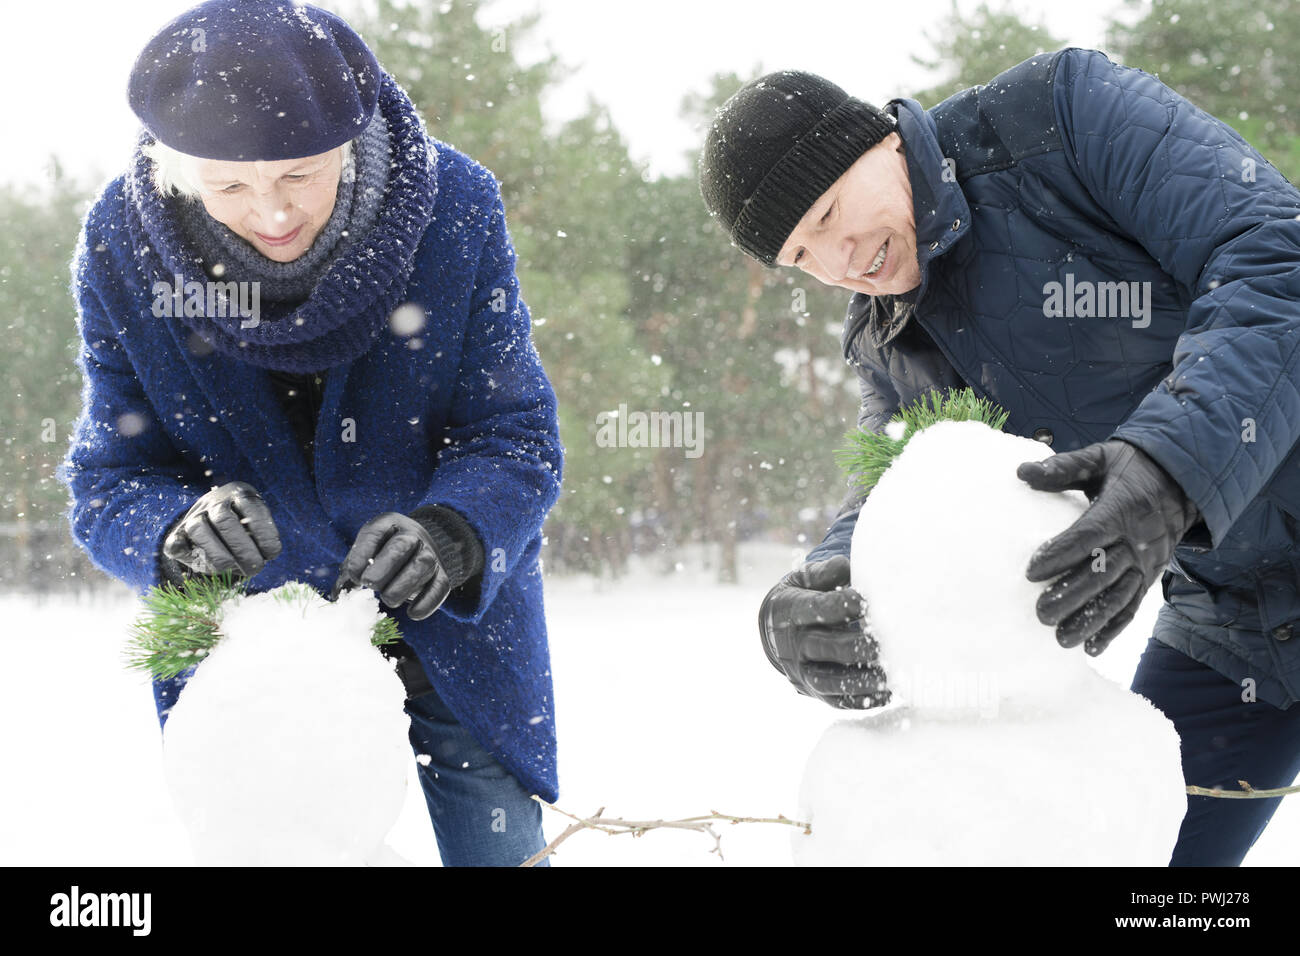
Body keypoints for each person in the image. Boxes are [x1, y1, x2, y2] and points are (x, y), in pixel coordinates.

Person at [698, 48, 1300, 866]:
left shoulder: (1064, 117)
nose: (841, 261)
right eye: (803, 256)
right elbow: (894, 490)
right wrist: (813, 599)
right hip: (1241, 624)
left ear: (878, 142)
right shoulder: (892, 340)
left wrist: (1167, 469)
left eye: (833, 211)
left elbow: (1273, 258)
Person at [56, 0, 563, 867]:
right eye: (230, 187)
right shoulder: (120, 247)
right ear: (179, 170)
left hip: (446, 617)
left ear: (348, 141)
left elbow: (515, 435)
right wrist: (176, 538)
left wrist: (455, 533)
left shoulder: (455, 207)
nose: (272, 213)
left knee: (499, 848)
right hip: (257, 649)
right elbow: (109, 479)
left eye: (298, 176)